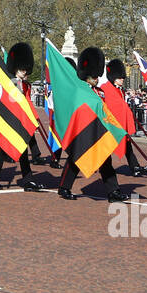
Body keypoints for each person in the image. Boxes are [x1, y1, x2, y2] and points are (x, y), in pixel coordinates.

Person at [56, 47, 121, 201]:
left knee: (106, 159)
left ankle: (113, 191)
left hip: (97, 129)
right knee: (74, 159)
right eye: (95, 76)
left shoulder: (99, 92)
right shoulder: (79, 90)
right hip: (82, 128)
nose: (97, 78)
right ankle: (64, 187)